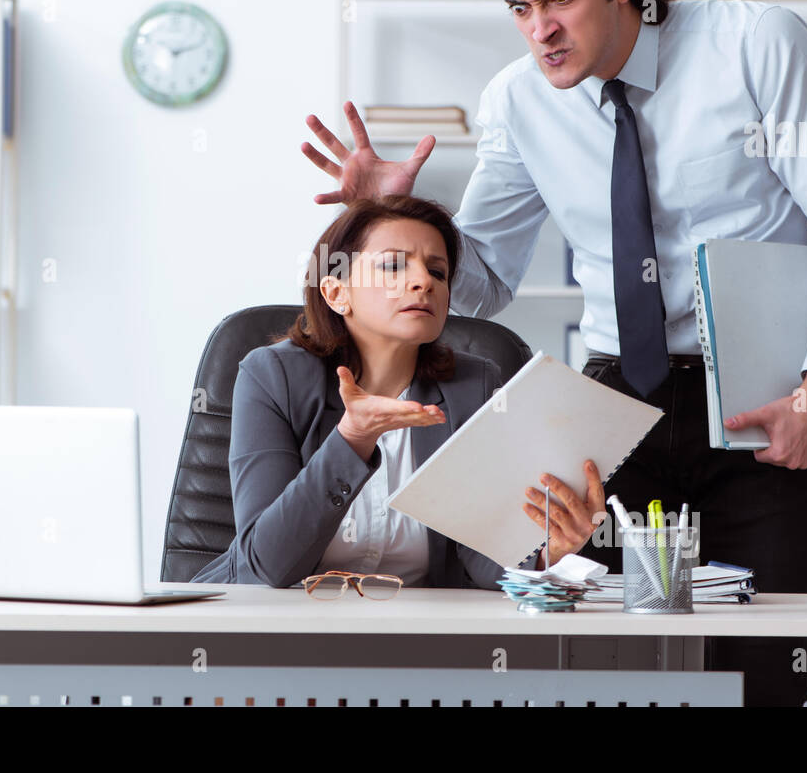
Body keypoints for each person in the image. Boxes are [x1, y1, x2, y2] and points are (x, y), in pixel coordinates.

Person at [299, 0, 807, 705]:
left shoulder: (757, 44)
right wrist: (392, 214)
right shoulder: (517, 98)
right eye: (519, 7)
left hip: (765, 397)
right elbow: (487, 278)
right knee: (604, 664)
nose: (539, 28)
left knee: (761, 669)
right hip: (615, 401)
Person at [192, 194, 605, 589]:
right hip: (269, 629)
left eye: (438, 272)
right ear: (337, 293)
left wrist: (543, 554)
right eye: (393, 266)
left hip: (417, 632)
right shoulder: (272, 376)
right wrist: (352, 440)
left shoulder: (474, 385)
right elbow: (269, 563)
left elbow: (477, 554)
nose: (423, 281)